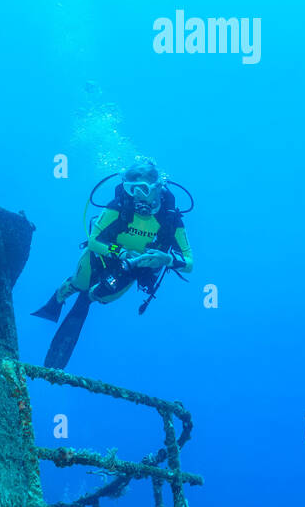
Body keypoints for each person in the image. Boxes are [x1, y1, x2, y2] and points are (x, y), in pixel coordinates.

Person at [33, 158, 193, 368]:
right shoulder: (119, 206)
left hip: (130, 271)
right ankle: (62, 294)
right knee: (79, 284)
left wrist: (168, 259)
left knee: (98, 297)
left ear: (158, 187)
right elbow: (94, 240)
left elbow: (189, 263)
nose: (137, 196)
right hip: (99, 257)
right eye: (131, 189)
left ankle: (86, 300)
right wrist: (121, 252)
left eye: (143, 189)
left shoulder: (170, 220)